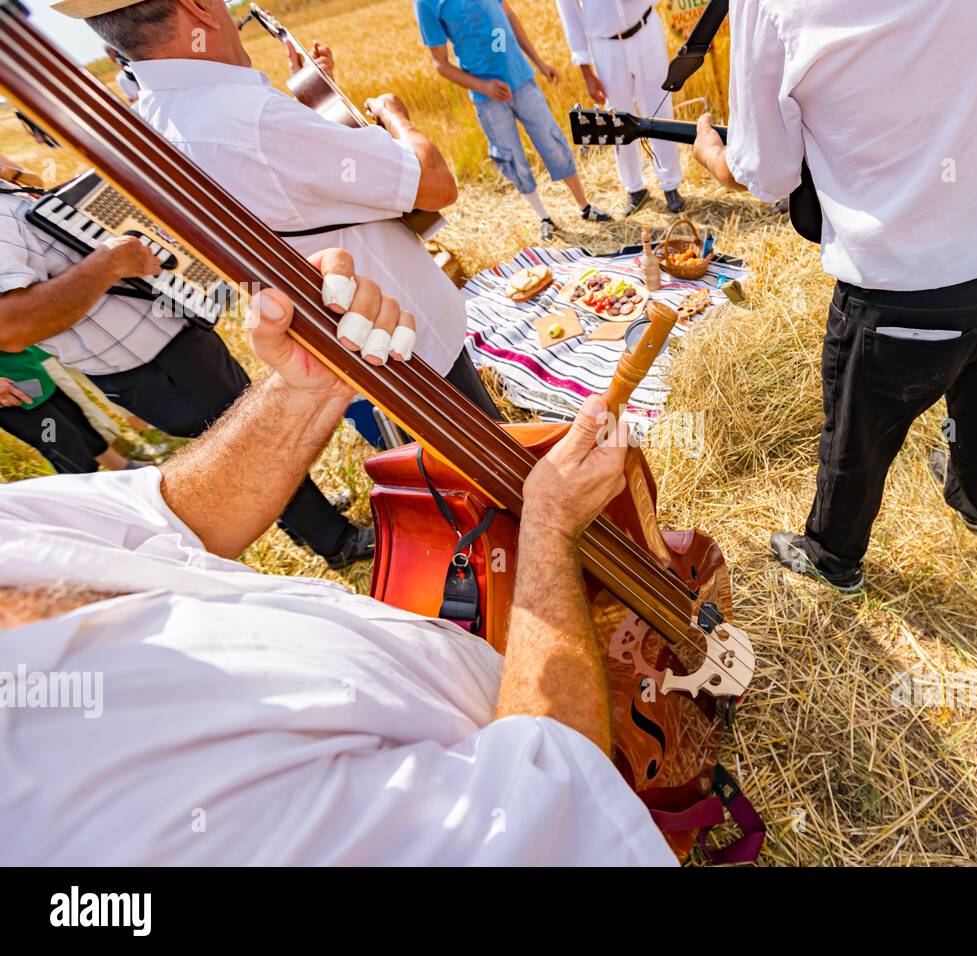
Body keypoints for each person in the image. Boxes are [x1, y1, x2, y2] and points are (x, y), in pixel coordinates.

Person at [0, 249, 674, 866]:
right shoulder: (84, 821)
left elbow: (169, 516)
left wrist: (305, 390)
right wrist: (549, 529)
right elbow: (546, 810)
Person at [692, 0, 977, 591]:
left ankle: (832, 555)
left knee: (861, 432)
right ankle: (976, 500)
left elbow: (767, 172)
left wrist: (717, 157)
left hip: (910, 271)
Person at [61, 0, 503, 421]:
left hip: (334, 355)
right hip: (413, 344)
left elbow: (288, 183)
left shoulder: (147, 124)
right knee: (503, 486)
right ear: (197, 8)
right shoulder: (253, 120)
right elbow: (435, 186)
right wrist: (397, 118)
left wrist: (313, 102)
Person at [0, 149, 376, 570]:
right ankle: (335, 540)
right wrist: (108, 264)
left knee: (251, 426)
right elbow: (11, 326)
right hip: (150, 367)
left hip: (177, 335)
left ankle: (300, 515)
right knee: (255, 440)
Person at [414, 0, 613, 242]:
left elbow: (509, 16)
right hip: (487, 98)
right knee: (511, 158)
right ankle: (544, 218)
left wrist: (539, 63)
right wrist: (484, 87)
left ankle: (585, 206)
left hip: (522, 79)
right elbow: (440, 64)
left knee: (552, 143)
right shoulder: (426, 4)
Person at [554, 0, 686, 216]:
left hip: (646, 30)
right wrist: (586, 72)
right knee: (617, 117)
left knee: (659, 107)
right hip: (605, 45)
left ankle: (670, 184)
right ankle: (635, 188)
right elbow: (570, 15)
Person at [0, 346, 135, 473]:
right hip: (12, 397)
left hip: (27, 373)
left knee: (83, 431)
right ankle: (97, 495)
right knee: (70, 454)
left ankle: (127, 471)